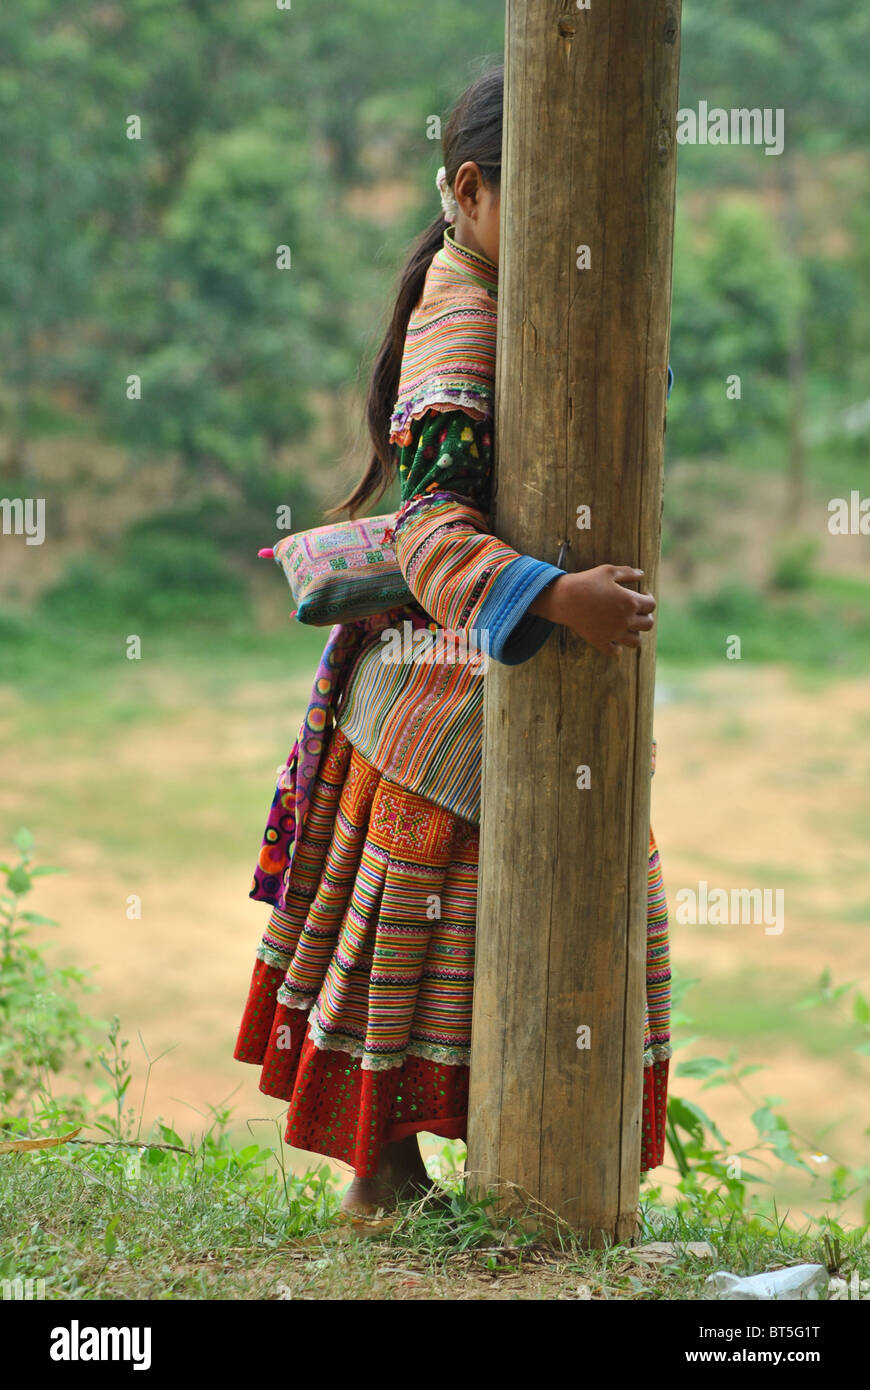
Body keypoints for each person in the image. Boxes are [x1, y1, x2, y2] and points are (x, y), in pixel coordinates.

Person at [234, 63, 671, 1216]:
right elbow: (429, 526)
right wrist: (557, 596)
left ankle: (533, 1176)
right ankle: (385, 1178)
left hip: (488, 672)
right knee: (431, 955)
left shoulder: (514, 296)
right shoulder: (461, 319)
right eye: (548, 206)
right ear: (472, 194)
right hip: (443, 698)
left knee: (541, 921)